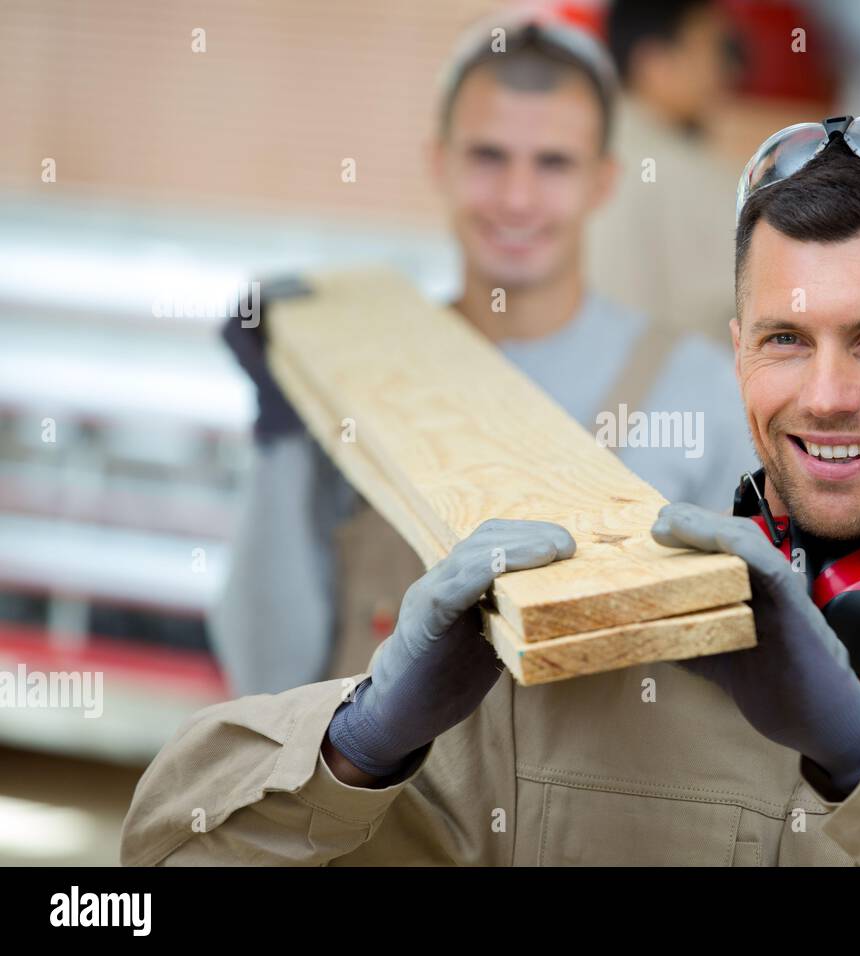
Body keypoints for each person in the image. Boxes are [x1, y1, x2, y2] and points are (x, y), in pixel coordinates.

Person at [124, 114, 860, 866]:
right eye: (786, 339)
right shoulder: (578, 641)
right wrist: (362, 738)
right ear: (736, 356)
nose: (828, 393)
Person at [209, 18, 756, 697]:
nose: (517, 198)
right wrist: (282, 431)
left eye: (553, 163)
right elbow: (267, 676)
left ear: (603, 182)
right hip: (380, 806)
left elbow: (738, 703)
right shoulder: (364, 385)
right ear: (439, 163)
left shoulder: (702, 394)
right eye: (488, 157)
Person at [586, 0, 740, 343]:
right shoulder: (686, 171)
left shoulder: (572, 154)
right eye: (712, 50)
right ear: (654, 63)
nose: (723, 72)